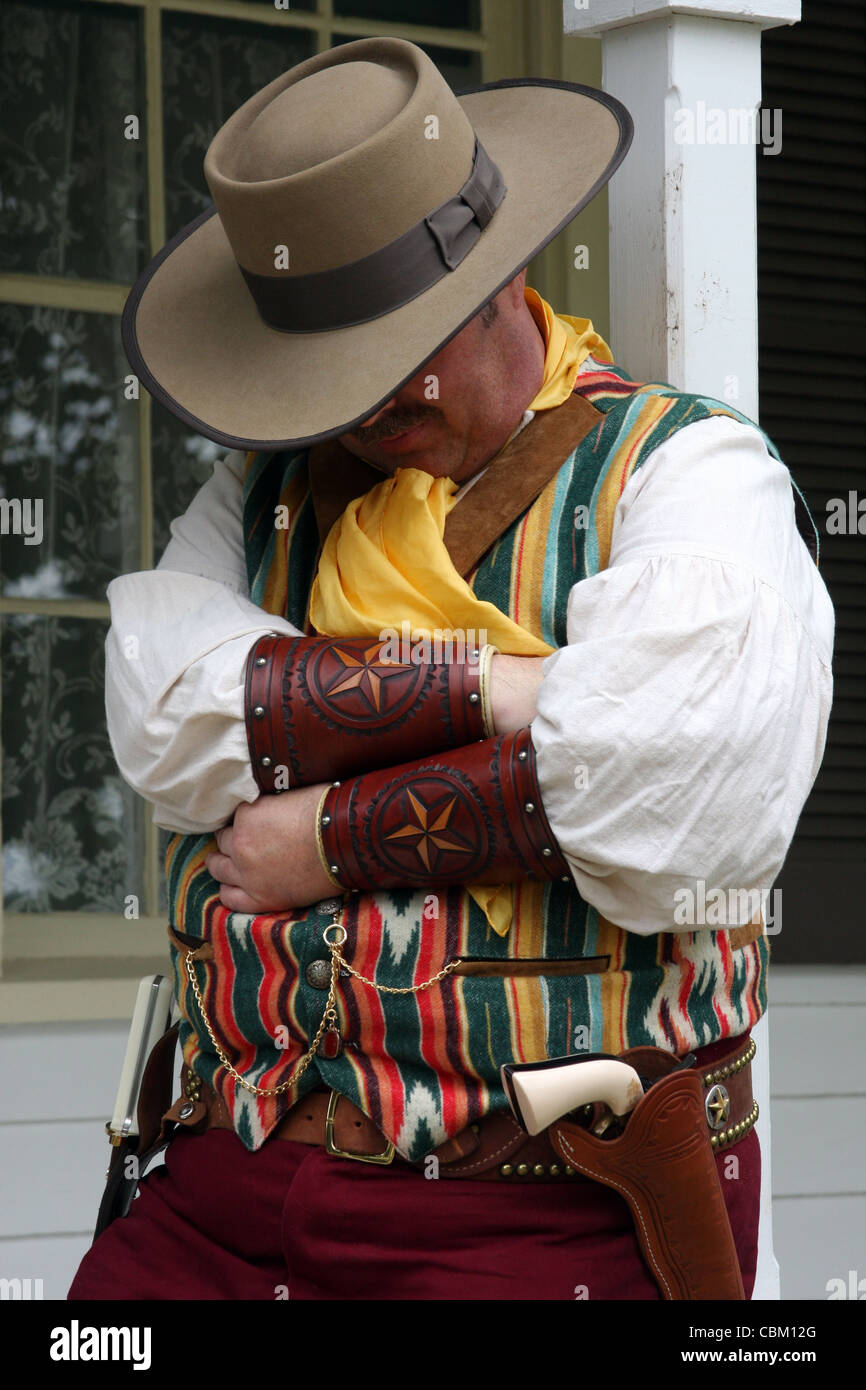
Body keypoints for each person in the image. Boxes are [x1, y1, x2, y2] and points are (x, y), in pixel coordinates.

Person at [69, 36, 833, 1301]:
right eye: (331, 369)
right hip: (220, 1190)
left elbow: (688, 771)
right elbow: (167, 711)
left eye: (398, 345)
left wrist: (327, 832)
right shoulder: (251, 501)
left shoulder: (687, 472)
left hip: (542, 1212)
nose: (366, 404)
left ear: (500, 271)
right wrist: (515, 691)